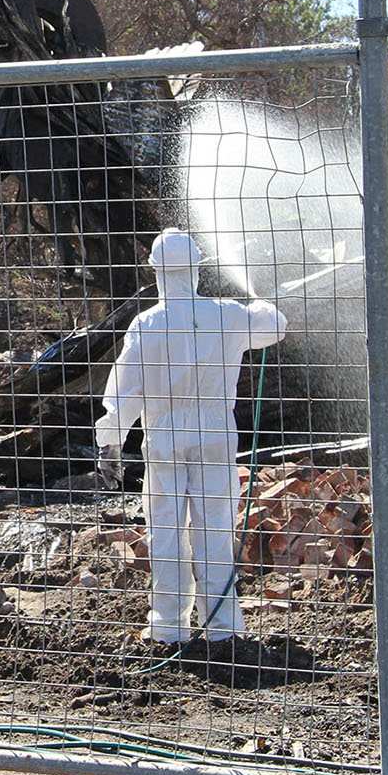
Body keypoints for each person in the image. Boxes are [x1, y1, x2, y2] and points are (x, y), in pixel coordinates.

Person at [94, 229, 287, 644]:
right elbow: (275, 325)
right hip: (216, 434)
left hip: (164, 437)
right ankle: (223, 627)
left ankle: (168, 626)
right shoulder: (227, 314)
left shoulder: (147, 323)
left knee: (165, 531)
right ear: (198, 270)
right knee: (215, 530)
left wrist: (110, 440)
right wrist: (261, 299)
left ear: (158, 274)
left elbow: (125, 391)